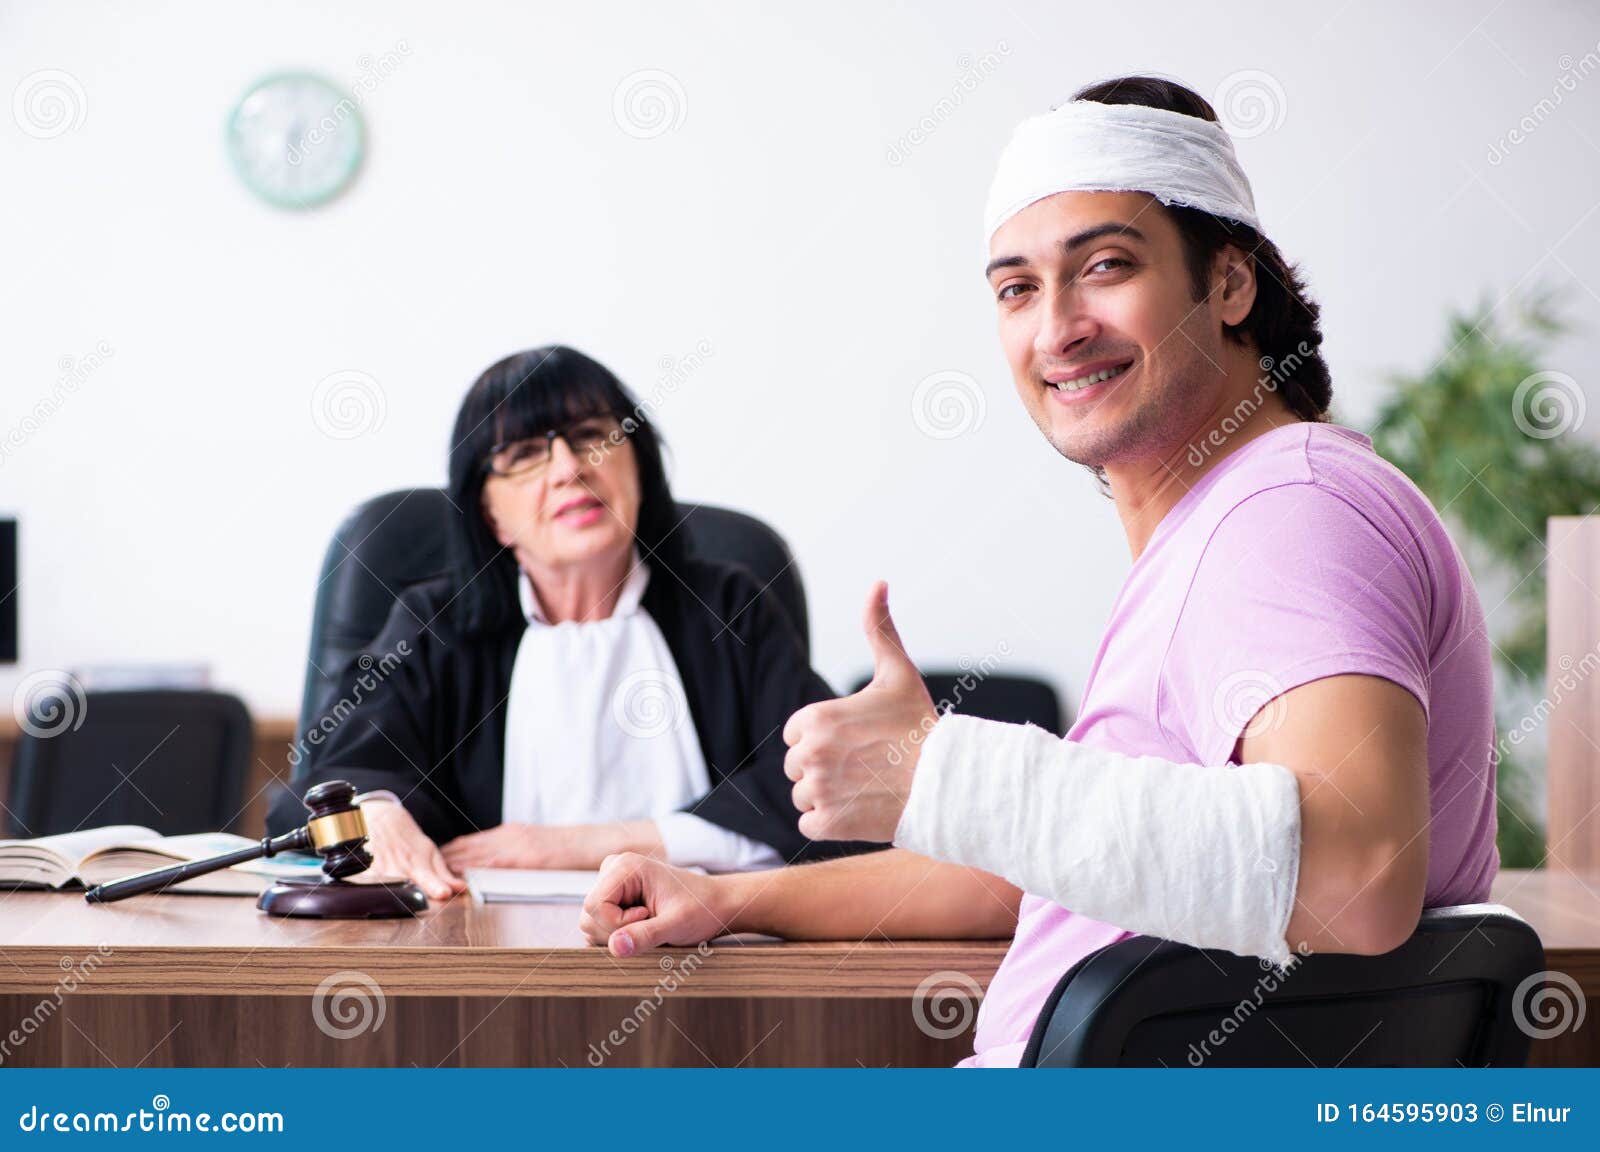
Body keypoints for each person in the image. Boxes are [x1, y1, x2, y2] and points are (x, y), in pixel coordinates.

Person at [579, 76, 1499, 1067]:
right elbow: (1068, 869)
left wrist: (945, 772)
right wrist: (732, 897)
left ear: (1230, 284)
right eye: (1017, 287)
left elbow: (1357, 874)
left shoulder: (1288, 511)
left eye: (1104, 265)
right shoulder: (1223, 527)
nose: (1056, 327)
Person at [268, 345, 874, 899]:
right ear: (490, 513)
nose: (568, 468)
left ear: (639, 468)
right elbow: (327, 774)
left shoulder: (730, 607)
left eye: (590, 436)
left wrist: (580, 844)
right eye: (525, 454)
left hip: (715, 956)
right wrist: (374, 810)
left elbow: (834, 794)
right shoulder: (435, 624)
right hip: (473, 958)